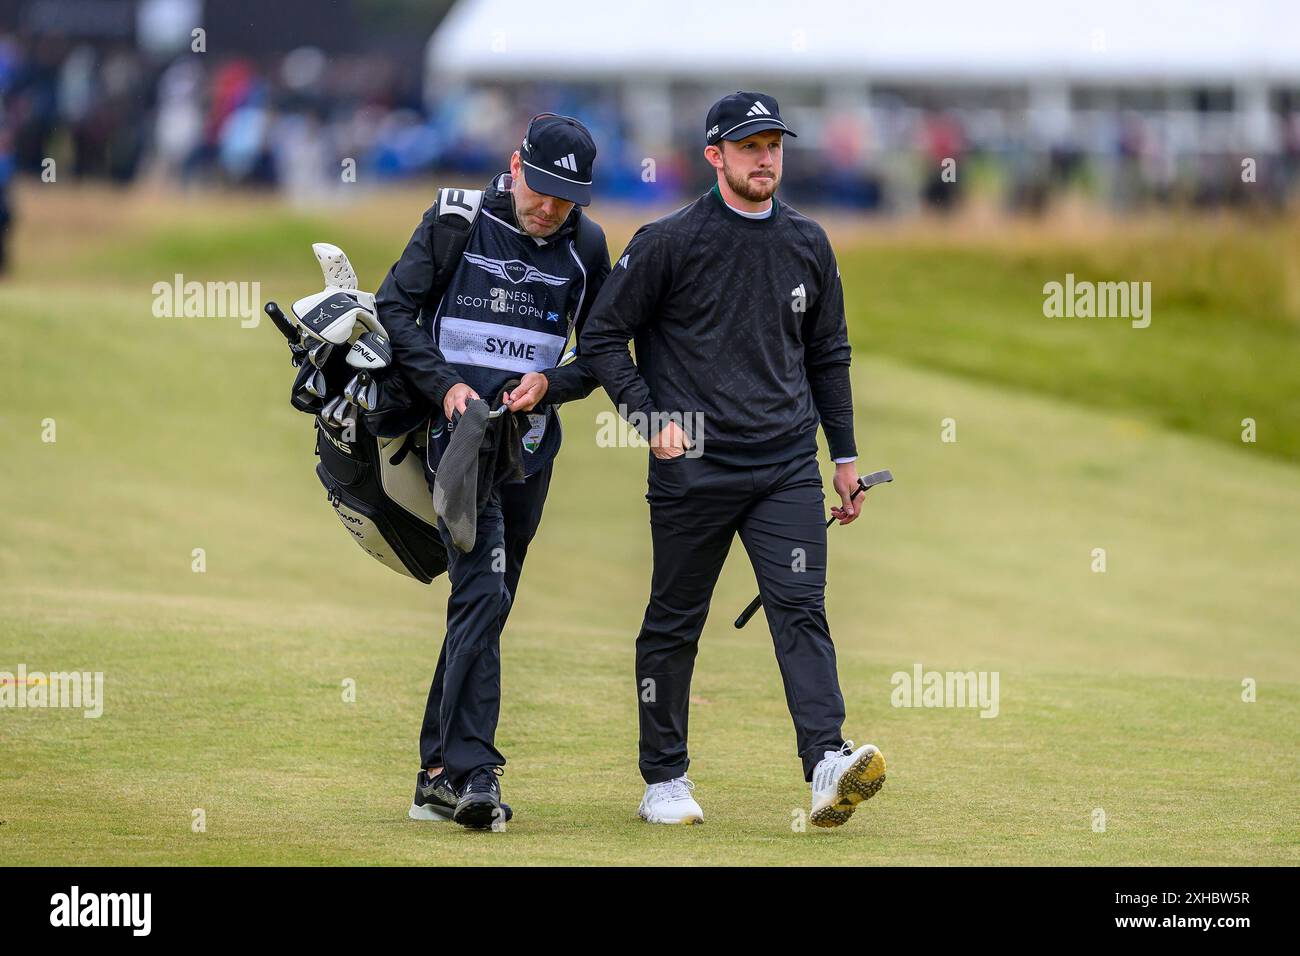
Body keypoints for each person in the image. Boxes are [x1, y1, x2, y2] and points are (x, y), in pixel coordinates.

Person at [580, 91, 886, 828]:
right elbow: (600, 339)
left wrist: (843, 457)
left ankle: (826, 762)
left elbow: (828, 353)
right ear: (715, 155)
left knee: (801, 610)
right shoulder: (668, 241)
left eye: (774, 145)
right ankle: (664, 779)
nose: (765, 158)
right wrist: (649, 418)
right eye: (749, 147)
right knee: (674, 620)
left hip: (784, 464)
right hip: (695, 468)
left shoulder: (809, 242)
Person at [375, 114, 609, 829]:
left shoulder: (587, 246)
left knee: (487, 600)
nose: (549, 208)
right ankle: (475, 774)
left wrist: (552, 385)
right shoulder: (455, 221)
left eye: (565, 199)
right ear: (515, 166)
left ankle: (433, 774)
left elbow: (600, 351)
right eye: (540, 191)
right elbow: (395, 307)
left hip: (531, 449)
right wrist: (445, 384)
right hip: (458, 439)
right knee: (483, 586)